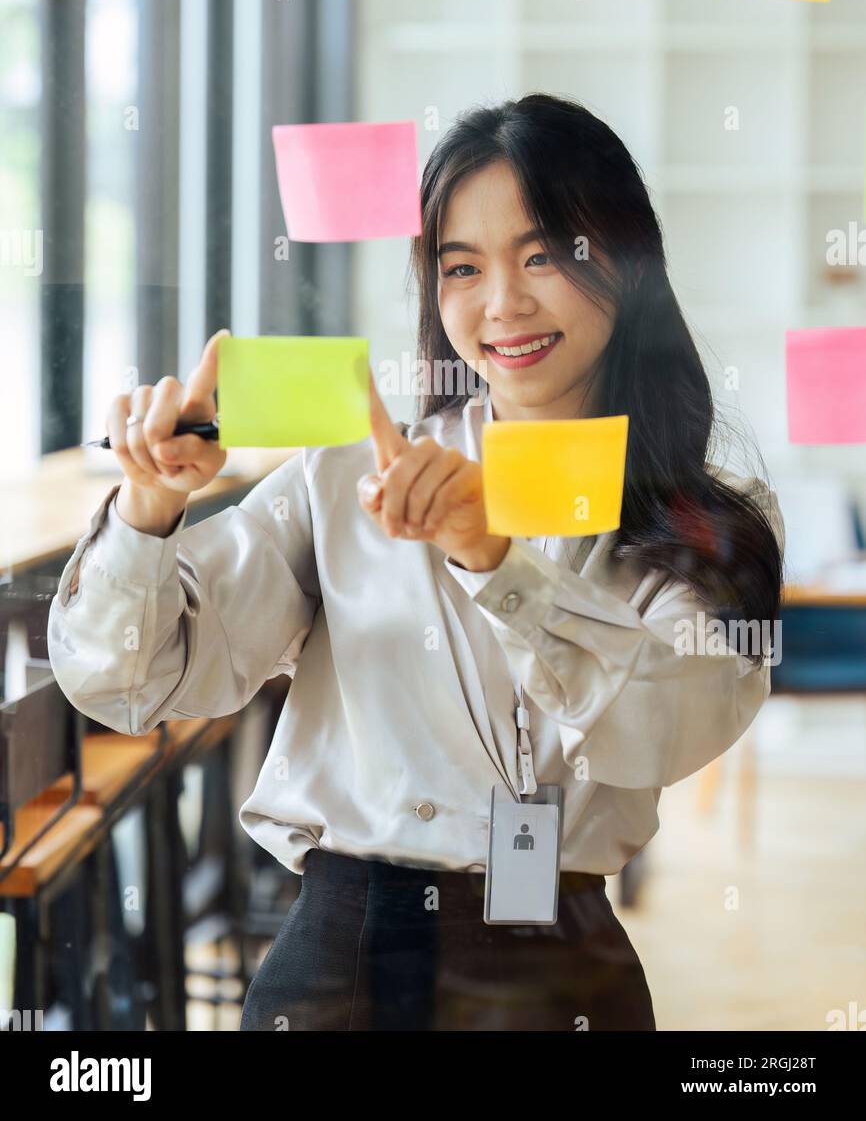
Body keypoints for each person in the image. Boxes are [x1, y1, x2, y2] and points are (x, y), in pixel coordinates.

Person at [47, 92, 784, 1032]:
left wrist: (496, 559)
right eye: (462, 266)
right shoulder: (349, 469)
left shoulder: (704, 517)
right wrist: (149, 510)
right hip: (341, 957)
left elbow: (666, 730)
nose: (503, 303)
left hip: (563, 963)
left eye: (544, 256)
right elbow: (131, 683)